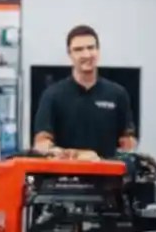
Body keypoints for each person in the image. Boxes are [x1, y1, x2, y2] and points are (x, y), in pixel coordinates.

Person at [33, 25, 137, 159]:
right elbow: (41, 142)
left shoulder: (118, 94)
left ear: (98, 50)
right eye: (78, 49)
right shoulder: (52, 95)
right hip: (64, 176)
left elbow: (127, 140)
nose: (86, 54)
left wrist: (128, 153)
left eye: (91, 48)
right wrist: (64, 154)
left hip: (108, 176)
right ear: (69, 54)